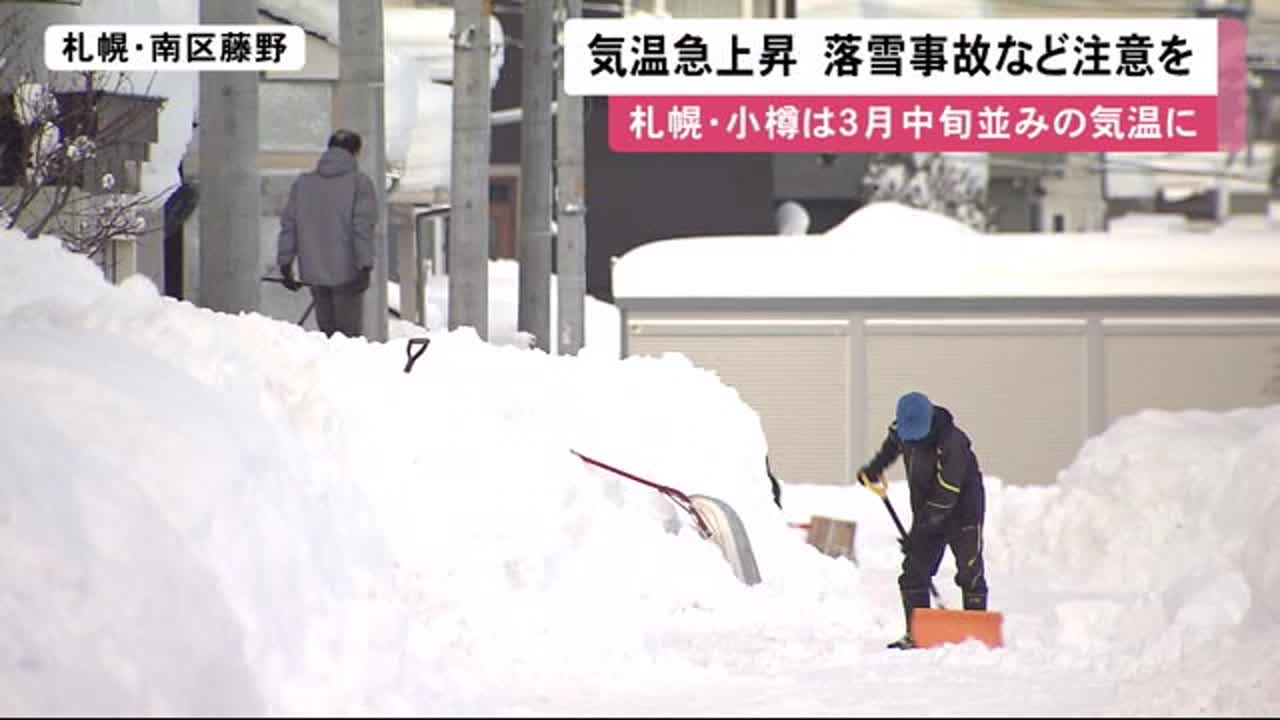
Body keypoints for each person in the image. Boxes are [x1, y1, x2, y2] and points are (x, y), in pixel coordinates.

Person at [857, 391, 988, 650]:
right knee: (914, 572)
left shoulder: (953, 443)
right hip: (927, 507)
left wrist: (919, 533)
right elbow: (892, 446)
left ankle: (979, 636)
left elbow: (947, 494)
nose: (913, 442)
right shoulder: (903, 430)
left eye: (919, 437)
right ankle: (917, 633)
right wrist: (875, 468)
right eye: (909, 438)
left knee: (969, 569)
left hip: (962, 510)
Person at [277, 129, 377, 338]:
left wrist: (285, 263)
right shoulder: (360, 184)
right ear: (355, 152)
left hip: (314, 272)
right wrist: (365, 265)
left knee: (327, 336)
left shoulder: (303, 184)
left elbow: (290, 225)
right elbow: (362, 227)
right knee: (348, 340)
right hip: (348, 273)